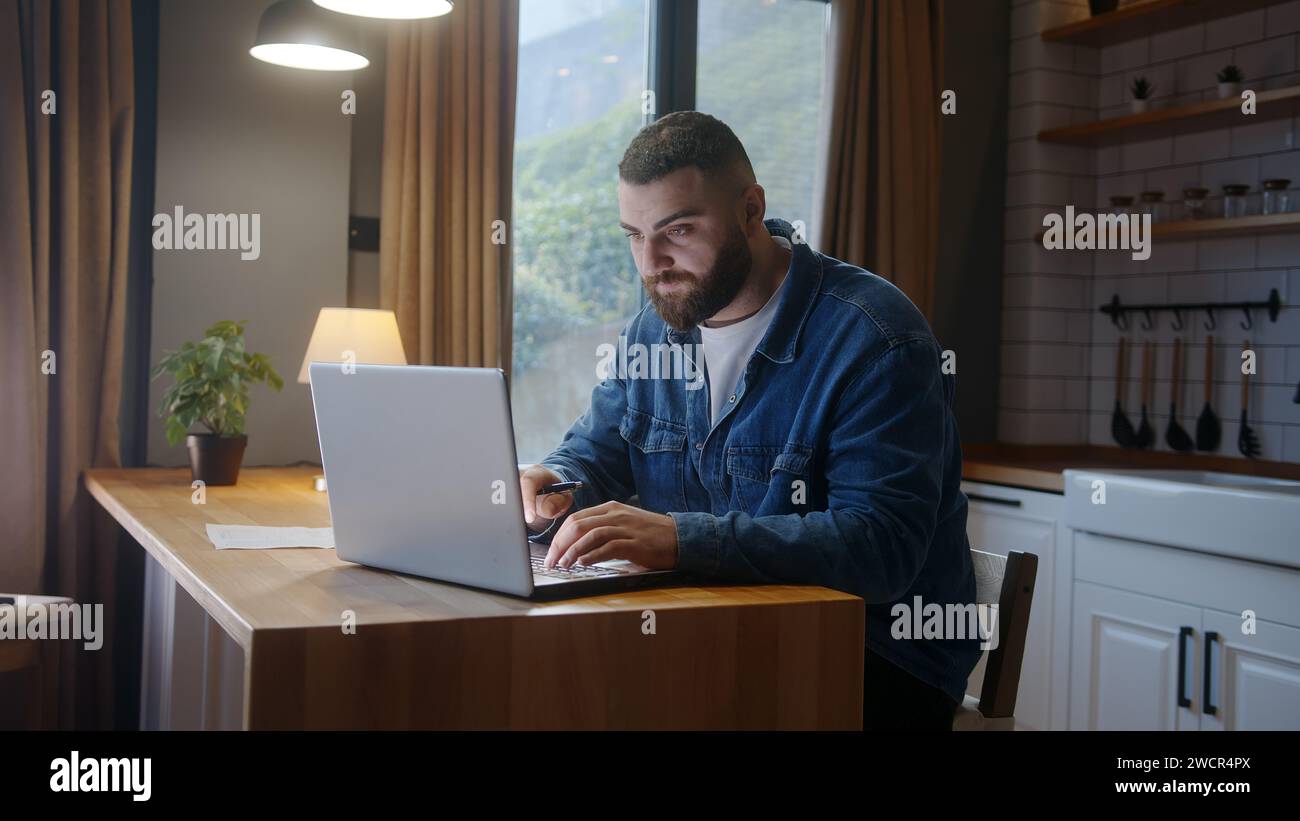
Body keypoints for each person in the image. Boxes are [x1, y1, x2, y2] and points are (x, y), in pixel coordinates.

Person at [519, 111, 979, 731]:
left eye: (677, 230)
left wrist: (680, 539)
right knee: (535, 682)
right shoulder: (654, 331)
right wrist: (554, 479)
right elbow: (599, 451)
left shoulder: (876, 337)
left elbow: (881, 549)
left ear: (751, 210)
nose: (651, 263)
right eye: (633, 234)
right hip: (712, 628)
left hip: (875, 659)